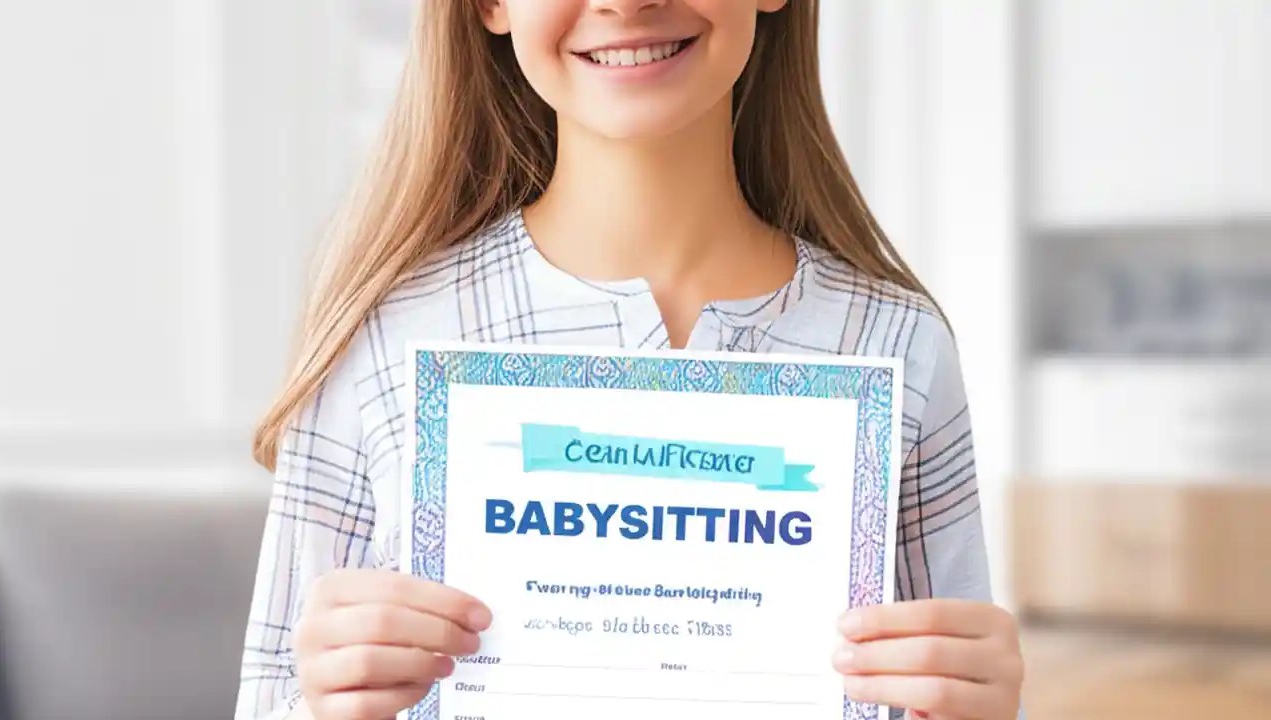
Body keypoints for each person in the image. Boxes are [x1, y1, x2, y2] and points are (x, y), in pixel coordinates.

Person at [235, 1, 1024, 719]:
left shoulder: (899, 343)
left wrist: (986, 709)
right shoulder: (382, 335)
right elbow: (270, 700)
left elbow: (946, 690)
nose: (626, 1)